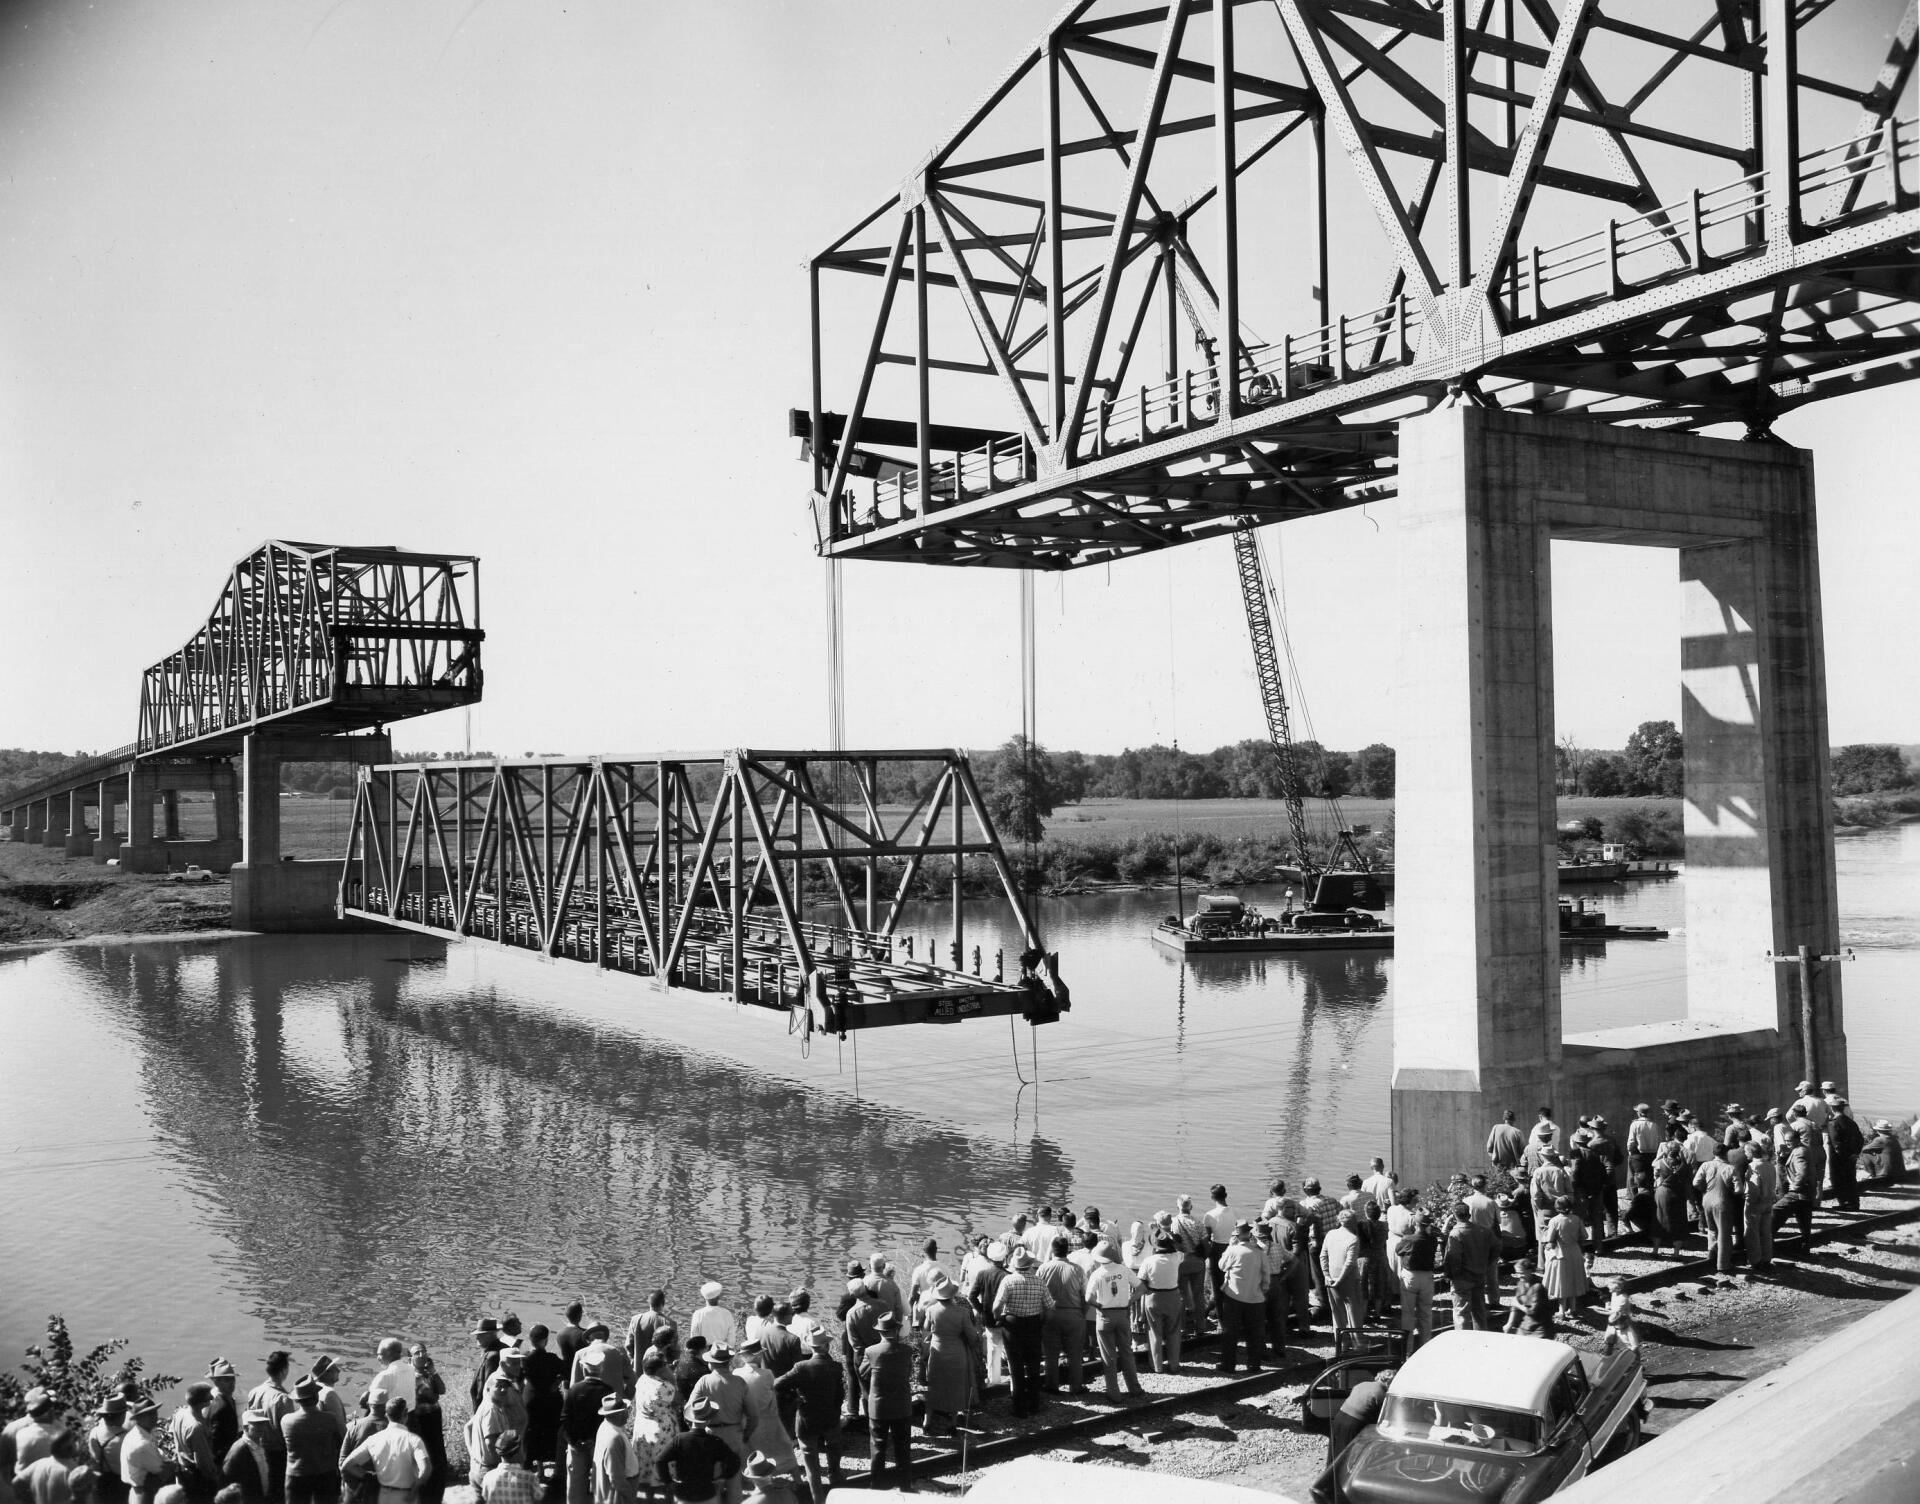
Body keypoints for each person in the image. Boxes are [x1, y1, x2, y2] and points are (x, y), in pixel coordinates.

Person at [771, 1334, 843, 1502]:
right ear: (826, 1346)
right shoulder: (835, 1367)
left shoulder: (800, 1367)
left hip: (806, 1419)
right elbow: (839, 1395)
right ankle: (837, 1489)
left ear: (811, 1347)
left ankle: (817, 1499)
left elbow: (777, 1384)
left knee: (811, 1465)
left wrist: (795, 1397)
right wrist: (835, 1411)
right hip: (830, 1417)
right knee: (834, 1454)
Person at [991, 1247, 1054, 1418]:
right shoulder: (1039, 1281)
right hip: (1033, 1324)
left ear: (1015, 1265)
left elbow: (997, 1306)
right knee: (1033, 1365)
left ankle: (1018, 1407)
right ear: (1029, 1264)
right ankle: (1034, 1404)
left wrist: (1000, 1319)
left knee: (1016, 1366)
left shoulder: (1008, 1281)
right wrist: (1043, 1322)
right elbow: (1049, 1307)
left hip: (1013, 1324)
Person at [858, 1317, 914, 1490]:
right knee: (903, 1447)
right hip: (901, 1405)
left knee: (878, 1447)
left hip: (879, 1407)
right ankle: (905, 1486)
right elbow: (909, 1372)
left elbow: (862, 1373)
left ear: (880, 1331)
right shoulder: (907, 1350)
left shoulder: (871, 1351)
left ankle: (876, 1486)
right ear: (896, 1331)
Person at [1084, 1243, 1144, 1400]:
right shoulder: (1124, 1270)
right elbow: (1141, 1288)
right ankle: (1134, 1388)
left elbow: (1088, 1298)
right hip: (1123, 1314)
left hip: (1105, 1316)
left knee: (1108, 1356)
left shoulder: (1097, 1274)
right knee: (1127, 1353)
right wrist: (1130, 1302)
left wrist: (1099, 1306)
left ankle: (1114, 1393)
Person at [653, 1399, 738, 1504]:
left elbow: (660, 1461)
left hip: (683, 1495)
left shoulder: (680, 1439)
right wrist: (722, 1478)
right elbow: (734, 1462)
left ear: (691, 1419)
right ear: (709, 1420)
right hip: (707, 1495)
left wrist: (669, 1482)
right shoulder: (715, 1442)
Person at [341, 1402, 429, 1504]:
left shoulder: (374, 1439)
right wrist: (415, 1487)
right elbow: (425, 1469)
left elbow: (347, 1465)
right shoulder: (413, 1440)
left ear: (387, 1415)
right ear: (406, 1415)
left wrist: (370, 1477)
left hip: (382, 1494)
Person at [683, 1350, 747, 1478]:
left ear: (711, 1364)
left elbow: (689, 1409)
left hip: (711, 1433)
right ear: (729, 1362)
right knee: (734, 1479)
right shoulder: (740, 1382)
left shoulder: (704, 1381)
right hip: (735, 1432)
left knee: (713, 1476)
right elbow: (754, 1414)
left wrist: (696, 1430)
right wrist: (746, 1434)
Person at [561, 1349, 613, 1504]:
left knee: (575, 1485)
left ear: (584, 1369)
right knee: (601, 1483)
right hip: (599, 1444)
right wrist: (594, 1441)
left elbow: (565, 1418)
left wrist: (572, 1440)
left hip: (576, 1443)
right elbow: (610, 1420)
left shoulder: (574, 1390)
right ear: (602, 1368)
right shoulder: (608, 1391)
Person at [1216, 1223, 1269, 1374]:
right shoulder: (1260, 1252)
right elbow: (1266, 1275)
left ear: (1236, 1236)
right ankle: (1253, 1364)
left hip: (1234, 1296)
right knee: (1254, 1333)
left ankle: (1228, 1365)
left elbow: (1222, 1266)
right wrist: (1263, 1290)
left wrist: (1228, 1248)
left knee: (1230, 1332)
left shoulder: (1233, 1250)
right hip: (1255, 1298)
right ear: (1249, 1234)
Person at [1036, 1236, 1087, 1394]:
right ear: (1068, 1251)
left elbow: (1038, 1294)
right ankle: (1076, 1386)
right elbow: (1085, 1295)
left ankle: (1052, 1385)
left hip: (1050, 1314)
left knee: (1051, 1354)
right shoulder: (1078, 1269)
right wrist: (1081, 1313)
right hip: (1073, 1314)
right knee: (1075, 1353)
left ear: (1052, 1250)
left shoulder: (1043, 1268)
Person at [731, 1347, 791, 1478]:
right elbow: (772, 1399)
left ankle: (752, 1473)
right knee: (780, 1447)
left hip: (745, 1418)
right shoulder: (767, 1373)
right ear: (758, 1356)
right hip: (765, 1417)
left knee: (750, 1449)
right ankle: (784, 1472)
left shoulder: (736, 1373)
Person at [282, 1377, 342, 1504]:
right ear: (316, 1397)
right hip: (325, 1474)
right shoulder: (330, 1419)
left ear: (298, 1400)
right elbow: (339, 1442)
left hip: (296, 1475)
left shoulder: (286, 1421)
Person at [1132, 1232, 1184, 1373]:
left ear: (1156, 1245)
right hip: (1173, 1296)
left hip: (1153, 1297)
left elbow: (1141, 1283)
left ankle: (1157, 1366)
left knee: (1154, 1333)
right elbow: (1181, 1246)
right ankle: (1174, 1365)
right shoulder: (1177, 1257)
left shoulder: (1148, 1261)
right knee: (1173, 1332)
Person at [521, 1326, 566, 1478]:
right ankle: (546, 1470)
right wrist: (557, 1381)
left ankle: (532, 1466)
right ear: (545, 1340)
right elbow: (567, 1371)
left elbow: (519, 1378)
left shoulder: (525, 1359)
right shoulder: (552, 1359)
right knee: (548, 1432)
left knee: (531, 1432)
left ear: (530, 1340)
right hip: (549, 1400)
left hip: (531, 1398)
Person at [404, 1347, 447, 1504]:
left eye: (424, 1352)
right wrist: (434, 1392)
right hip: (421, 1420)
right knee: (427, 1455)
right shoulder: (412, 1376)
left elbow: (442, 1390)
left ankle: (434, 1492)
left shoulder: (428, 1373)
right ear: (410, 1358)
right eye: (417, 1353)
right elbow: (431, 1396)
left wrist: (434, 1372)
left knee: (437, 1455)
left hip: (434, 1417)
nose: (422, 1355)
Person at [839, 1280, 885, 1426]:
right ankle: (885, 1418)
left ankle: (870, 1422)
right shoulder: (882, 1305)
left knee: (866, 1392)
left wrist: (864, 1358)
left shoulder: (851, 1313)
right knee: (883, 1388)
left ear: (852, 1294)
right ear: (865, 1289)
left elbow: (854, 1343)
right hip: (883, 1352)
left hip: (863, 1356)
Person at [1327, 1369, 1394, 1465]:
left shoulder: (1362, 1384)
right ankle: (1342, 1477)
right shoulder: (1382, 1394)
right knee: (1347, 1454)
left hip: (1339, 1416)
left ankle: (1329, 1475)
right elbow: (1381, 1418)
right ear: (1389, 1382)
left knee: (1335, 1450)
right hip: (1353, 1423)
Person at [168, 1385, 222, 1503]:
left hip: (183, 1471)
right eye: (209, 1397)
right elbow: (203, 1462)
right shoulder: (196, 1427)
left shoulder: (180, 1414)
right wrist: (215, 1479)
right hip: (198, 1479)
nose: (212, 1398)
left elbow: (172, 1432)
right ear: (202, 1402)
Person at [1695, 1142, 1741, 1272]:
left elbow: (1696, 1182)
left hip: (1707, 1200)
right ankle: (1723, 1264)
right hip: (1722, 1201)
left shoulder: (1706, 1165)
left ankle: (1711, 1255)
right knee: (1724, 1233)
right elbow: (1739, 1190)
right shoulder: (1730, 1168)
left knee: (1711, 1230)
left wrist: (1704, 1190)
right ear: (1726, 1154)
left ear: (1714, 1153)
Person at [1540, 1196, 1589, 1321]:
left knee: (1562, 1283)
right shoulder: (1577, 1219)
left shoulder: (1554, 1221)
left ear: (1557, 1208)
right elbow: (1585, 1235)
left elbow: (1550, 1239)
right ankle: (1572, 1310)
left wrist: (1545, 1235)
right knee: (1573, 1281)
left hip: (1561, 1253)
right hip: (1575, 1252)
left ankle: (1561, 1311)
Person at [1396, 1213, 1438, 1349]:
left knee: (1408, 1314)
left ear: (1415, 1224)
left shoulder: (1408, 1239)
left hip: (1411, 1276)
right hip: (1427, 1278)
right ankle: (1425, 1347)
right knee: (1425, 1314)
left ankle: (1407, 1350)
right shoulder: (1433, 1240)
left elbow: (1398, 1250)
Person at [1167, 1198, 1208, 1340]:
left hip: (1181, 1262)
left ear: (1177, 1206)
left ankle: (1183, 1329)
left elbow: (1171, 1242)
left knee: (1181, 1297)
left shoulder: (1173, 1222)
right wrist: (1204, 1258)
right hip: (1197, 1260)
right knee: (1199, 1295)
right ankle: (1200, 1328)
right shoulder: (1198, 1222)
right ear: (1191, 1207)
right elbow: (1205, 1243)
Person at [1320, 1211, 1365, 1335]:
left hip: (1330, 1278)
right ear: (1354, 1222)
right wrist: (1340, 1280)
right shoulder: (1353, 1239)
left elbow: (1323, 1256)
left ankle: (1341, 1343)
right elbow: (1349, 1263)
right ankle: (1357, 1342)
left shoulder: (1330, 1234)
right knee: (1353, 1311)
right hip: (1348, 1279)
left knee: (1337, 1312)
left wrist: (1327, 1276)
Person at [120, 1400, 171, 1504]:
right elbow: (164, 1473)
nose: (154, 1417)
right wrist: (173, 1464)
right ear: (138, 1418)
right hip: (146, 1495)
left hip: (138, 1490)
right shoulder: (142, 1444)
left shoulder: (137, 1432)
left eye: (154, 1412)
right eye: (149, 1414)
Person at [220, 1412, 277, 1504]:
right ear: (245, 1428)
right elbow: (226, 1479)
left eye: (263, 1424)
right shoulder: (239, 1449)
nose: (261, 1428)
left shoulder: (260, 1445)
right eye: (257, 1425)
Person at [1774, 1127, 1819, 1243]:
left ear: (1797, 1140)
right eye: (1786, 1141)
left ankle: (1766, 1240)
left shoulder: (1799, 1152)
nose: (1787, 1143)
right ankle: (1805, 1248)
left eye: (1789, 1141)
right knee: (1804, 1221)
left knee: (1775, 1210)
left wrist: (1796, 1186)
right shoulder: (1801, 1149)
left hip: (1799, 1192)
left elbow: (1802, 1172)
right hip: (1807, 1193)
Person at [1652, 1126, 1692, 1256]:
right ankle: (1676, 1252)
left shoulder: (1660, 1163)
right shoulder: (1684, 1165)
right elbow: (1687, 1177)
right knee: (1679, 1219)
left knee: (1659, 1218)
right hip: (1677, 1192)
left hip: (1662, 1192)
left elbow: (1655, 1174)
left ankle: (1656, 1250)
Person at [589, 1396, 637, 1504]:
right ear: (619, 1414)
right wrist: (630, 1497)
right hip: (616, 1496)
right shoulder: (613, 1438)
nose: (628, 1414)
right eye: (626, 1410)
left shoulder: (606, 1425)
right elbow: (616, 1479)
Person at [1743, 1140, 1780, 1271]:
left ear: (1751, 1152)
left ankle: (1755, 1261)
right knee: (1766, 1232)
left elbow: (1754, 1187)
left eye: (1746, 1151)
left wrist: (1748, 1200)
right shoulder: (1770, 1165)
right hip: (1768, 1202)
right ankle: (1767, 1258)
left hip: (1756, 1203)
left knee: (1752, 1232)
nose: (1745, 1153)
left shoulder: (1753, 1167)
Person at [89, 1397, 131, 1504]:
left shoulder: (94, 1433)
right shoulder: (125, 1438)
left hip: (102, 1485)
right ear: (120, 1415)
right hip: (122, 1486)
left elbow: (95, 1462)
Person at [478, 1432, 540, 1504]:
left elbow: (486, 1498)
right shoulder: (530, 1478)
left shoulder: (488, 1477)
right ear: (519, 1452)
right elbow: (538, 1499)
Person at [1503, 1258, 1555, 1339]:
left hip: (1540, 1328)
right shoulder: (1520, 1284)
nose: (1519, 1276)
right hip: (1526, 1325)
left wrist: (1517, 1304)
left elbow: (1532, 1311)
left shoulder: (1538, 1287)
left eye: (1521, 1273)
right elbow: (1515, 1306)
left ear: (1530, 1271)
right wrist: (1509, 1324)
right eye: (1517, 1273)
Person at [201, 1363, 241, 1464]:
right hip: (223, 1461)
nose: (232, 1383)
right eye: (227, 1380)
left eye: (233, 1379)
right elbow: (215, 1441)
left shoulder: (228, 1399)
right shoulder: (220, 1406)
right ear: (216, 1382)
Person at [627, 1296, 677, 1375]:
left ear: (649, 1303)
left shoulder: (636, 1319)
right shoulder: (670, 1323)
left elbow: (629, 1345)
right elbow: (674, 1349)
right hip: (660, 1371)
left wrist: (633, 1358)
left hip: (639, 1369)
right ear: (662, 1304)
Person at [1830, 1102, 1865, 1210]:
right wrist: (1855, 1153)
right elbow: (1860, 1139)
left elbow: (1836, 1142)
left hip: (1839, 1157)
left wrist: (1841, 1156)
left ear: (1832, 1109)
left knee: (1839, 1180)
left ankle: (1845, 1203)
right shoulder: (1851, 1122)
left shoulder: (1833, 1123)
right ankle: (1854, 1203)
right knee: (1851, 1179)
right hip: (1851, 1156)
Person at [1862, 1120, 1910, 1184]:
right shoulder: (1894, 1138)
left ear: (1878, 1130)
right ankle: (1878, 1174)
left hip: (1887, 1174)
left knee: (1865, 1154)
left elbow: (1864, 1149)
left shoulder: (1879, 1140)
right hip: (1899, 1173)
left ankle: (1874, 1176)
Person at [555, 1308, 589, 1379]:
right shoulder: (585, 1334)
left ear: (567, 1315)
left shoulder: (560, 1334)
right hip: (581, 1374)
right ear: (580, 1316)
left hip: (566, 1374)